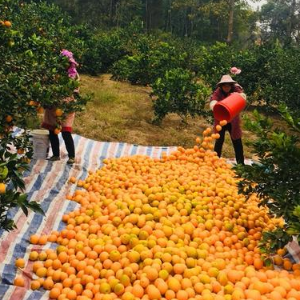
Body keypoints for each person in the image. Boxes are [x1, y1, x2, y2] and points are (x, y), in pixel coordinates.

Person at [42, 49, 80, 165]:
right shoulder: (53, 74)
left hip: (67, 106)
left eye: (68, 63)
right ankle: (55, 155)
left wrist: (70, 100)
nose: (66, 65)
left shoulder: (74, 75)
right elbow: (46, 86)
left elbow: (75, 91)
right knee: (52, 131)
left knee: (65, 132)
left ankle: (72, 156)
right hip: (53, 106)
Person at [210, 74, 246, 165]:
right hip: (221, 120)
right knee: (219, 141)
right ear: (221, 86)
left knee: (237, 141)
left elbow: (242, 96)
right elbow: (213, 101)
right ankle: (215, 162)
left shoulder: (235, 89)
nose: (227, 87)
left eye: (228, 85)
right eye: (224, 85)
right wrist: (215, 106)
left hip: (233, 121)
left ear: (231, 85)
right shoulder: (218, 92)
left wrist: (239, 96)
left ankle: (240, 164)